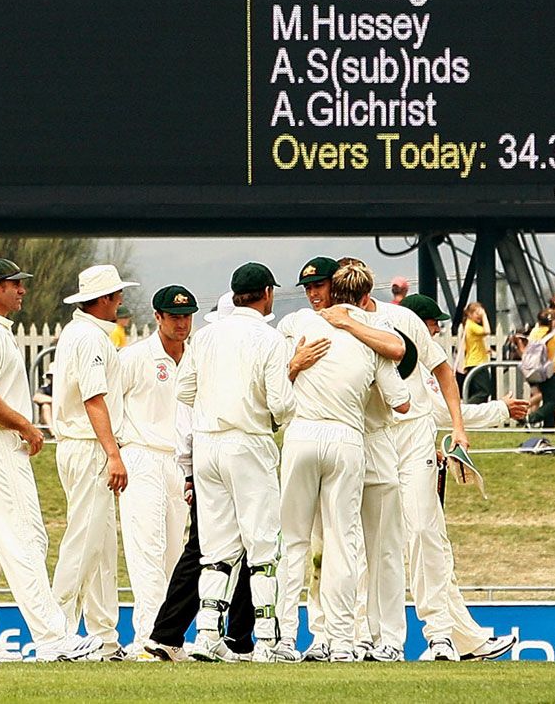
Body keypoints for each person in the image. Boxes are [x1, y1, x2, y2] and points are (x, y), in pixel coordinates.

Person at [320, 283, 515, 663]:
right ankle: (364, 634)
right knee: (370, 542)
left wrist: (460, 429)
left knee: (426, 533)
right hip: (371, 437)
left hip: (413, 436)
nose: (438, 329)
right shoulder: (331, 326)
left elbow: (442, 377)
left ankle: (442, 635)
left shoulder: (401, 320)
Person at [0, 257, 101, 663]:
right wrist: (27, 426)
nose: (22, 290)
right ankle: (53, 637)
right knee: (25, 537)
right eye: (14, 284)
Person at [279, 262, 410, 662]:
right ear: (366, 295)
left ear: (333, 291)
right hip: (347, 439)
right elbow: (402, 401)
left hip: (301, 435)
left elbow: (279, 367)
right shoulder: (375, 339)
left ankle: (285, 639)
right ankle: (341, 641)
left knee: (295, 541)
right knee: (342, 542)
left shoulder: (299, 322)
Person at [175, 262, 297, 663]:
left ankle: (207, 634)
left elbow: (184, 389)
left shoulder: (206, 336)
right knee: (262, 544)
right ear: (266, 293)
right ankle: (266, 640)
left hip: (208, 444)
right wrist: (280, 413)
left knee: (215, 546)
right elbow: (280, 402)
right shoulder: (269, 337)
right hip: (249, 441)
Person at [141, 290, 259, 663]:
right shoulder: (223, 357)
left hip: (206, 462)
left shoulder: (202, 353)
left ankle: (171, 633)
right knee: (250, 545)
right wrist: (189, 472)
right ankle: (236, 639)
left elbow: (183, 418)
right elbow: (185, 417)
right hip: (232, 459)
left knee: (205, 550)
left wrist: (191, 470)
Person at [50, 264, 135, 661]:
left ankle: (103, 637)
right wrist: (113, 453)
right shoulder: (88, 338)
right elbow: (93, 398)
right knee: (84, 539)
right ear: (101, 300)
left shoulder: (84, 333)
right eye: (116, 295)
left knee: (101, 544)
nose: (120, 301)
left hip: (85, 445)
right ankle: (58, 633)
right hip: (89, 447)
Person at [116, 285, 197, 655]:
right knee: (146, 547)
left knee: (174, 555)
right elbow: (107, 404)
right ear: (158, 317)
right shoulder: (134, 357)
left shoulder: (197, 357)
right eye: (174, 316)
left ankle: (166, 637)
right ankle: (147, 635)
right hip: (142, 454)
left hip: (180, 462)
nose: (182, 323)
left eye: (186, 316)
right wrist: (116, 453)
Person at [460, 301, 492, 403]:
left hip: (474, 361)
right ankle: (466, 410)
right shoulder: (471, 325)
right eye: (477, 313)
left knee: (478, 393)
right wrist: (484, 315)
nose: (479, 316)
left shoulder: (469, 325)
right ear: (469, 314)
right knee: (483, 392)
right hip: (476, 362)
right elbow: (487, 331)